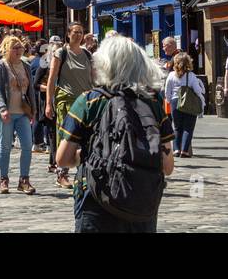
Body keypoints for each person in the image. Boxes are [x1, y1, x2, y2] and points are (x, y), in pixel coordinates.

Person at [57, 34, 175, 232]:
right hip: (141, 202)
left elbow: (63, 159)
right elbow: (167, 165)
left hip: (96, 199)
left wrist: (91, 154)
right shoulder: (152, 104)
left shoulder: (89, 102)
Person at [45, 22, 94, 188]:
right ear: (68, 34)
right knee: (66, 137)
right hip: (66, 100)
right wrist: (49, 104)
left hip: (86, 102)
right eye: (75, 32)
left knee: (87, 138)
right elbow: (51, 79)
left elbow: (93, 78)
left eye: (81, 32)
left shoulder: (87, 54)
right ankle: (62, 173)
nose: (79, 35)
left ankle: (85, 172)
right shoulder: (61, 53)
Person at [0, 35, 37, 195]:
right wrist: (2, 108)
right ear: (6, 50)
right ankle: (3, 179)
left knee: (27, 146)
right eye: (14, 48)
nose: (18, 51)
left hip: (23, 113)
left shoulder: (25, 65)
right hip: (7, 113)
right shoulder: (0, 66)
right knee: (5, 146)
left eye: (20, 48)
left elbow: (31, 89)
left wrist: (34, 110)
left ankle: (24, 180)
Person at [165, 52, 206, 159]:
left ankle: (176, 149)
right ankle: (184, 151)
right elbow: (197, 91)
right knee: (188, 128)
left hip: (174, 102)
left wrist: (170, 101)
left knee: (177, 127)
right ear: (188, 62)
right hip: (189, 102)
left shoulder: (171, 75)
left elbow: (167, 92)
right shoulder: (191, 76)